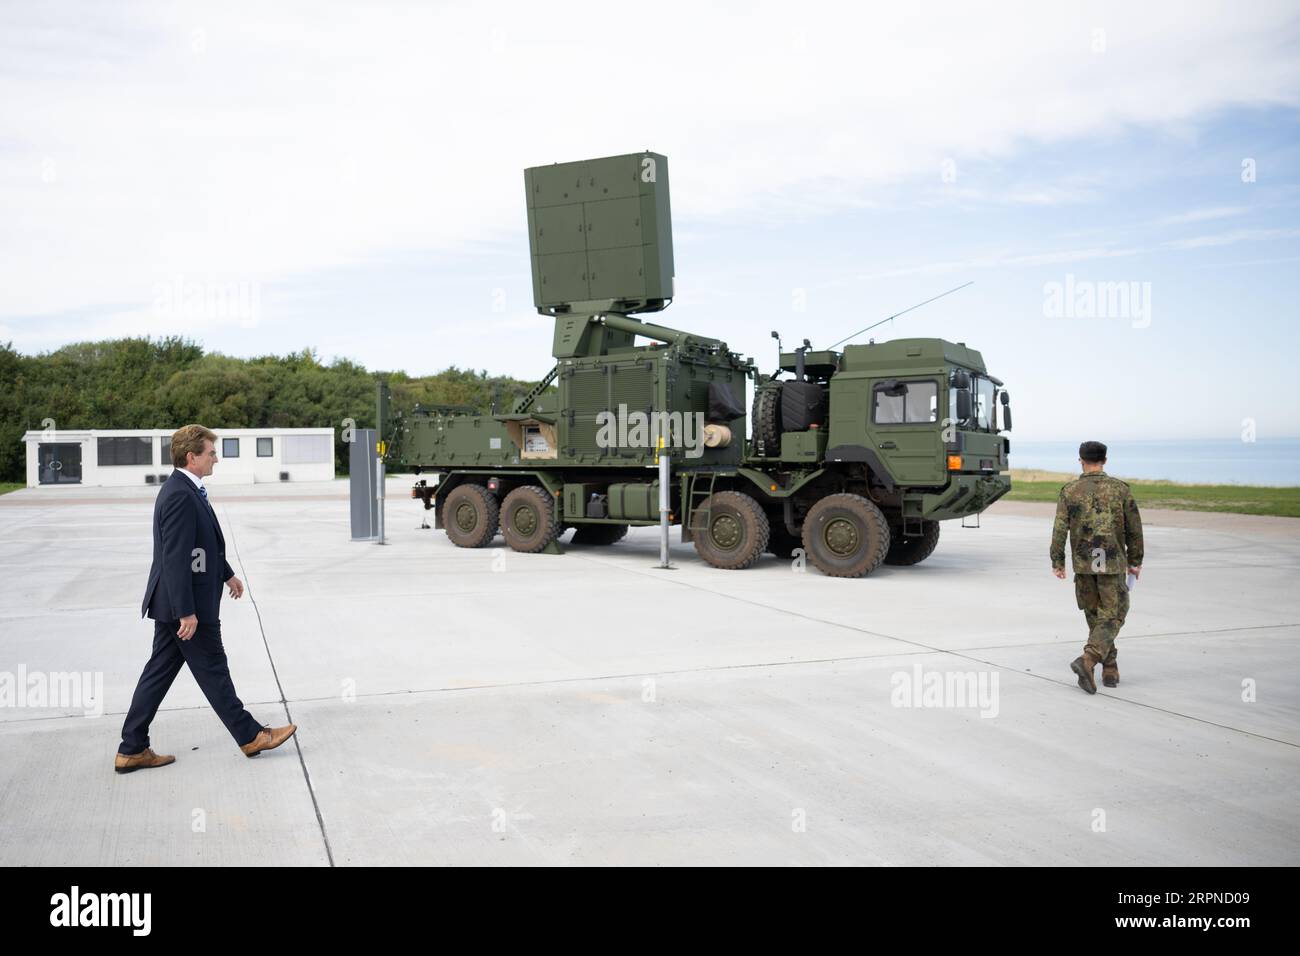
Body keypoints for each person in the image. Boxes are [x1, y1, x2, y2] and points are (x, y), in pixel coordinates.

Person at [115, 424, 296, 772]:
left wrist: (226, 573)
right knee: (213, 668)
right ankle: (251, 735)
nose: (216, 459)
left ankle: (132, 748)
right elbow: (175, 557)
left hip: (175, 603)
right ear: (191, 456)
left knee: (158, 673)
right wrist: (186, 611)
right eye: (211, 453)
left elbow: (202, 545)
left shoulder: (186, 489)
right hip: (187, 606)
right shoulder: (181, 495)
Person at [1050, 440, 1144, 694]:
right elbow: (1134, 528)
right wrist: (1136, 560)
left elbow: (1060, 527)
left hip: (1084, 563)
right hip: (1111, 562)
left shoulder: (1069, 491)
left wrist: (1057, 560)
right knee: (1113, 614)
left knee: (1095, 615)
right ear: (1105, 460)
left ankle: (1110, 666)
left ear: (1080, 459)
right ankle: (1089, 660)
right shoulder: (1120, 490)